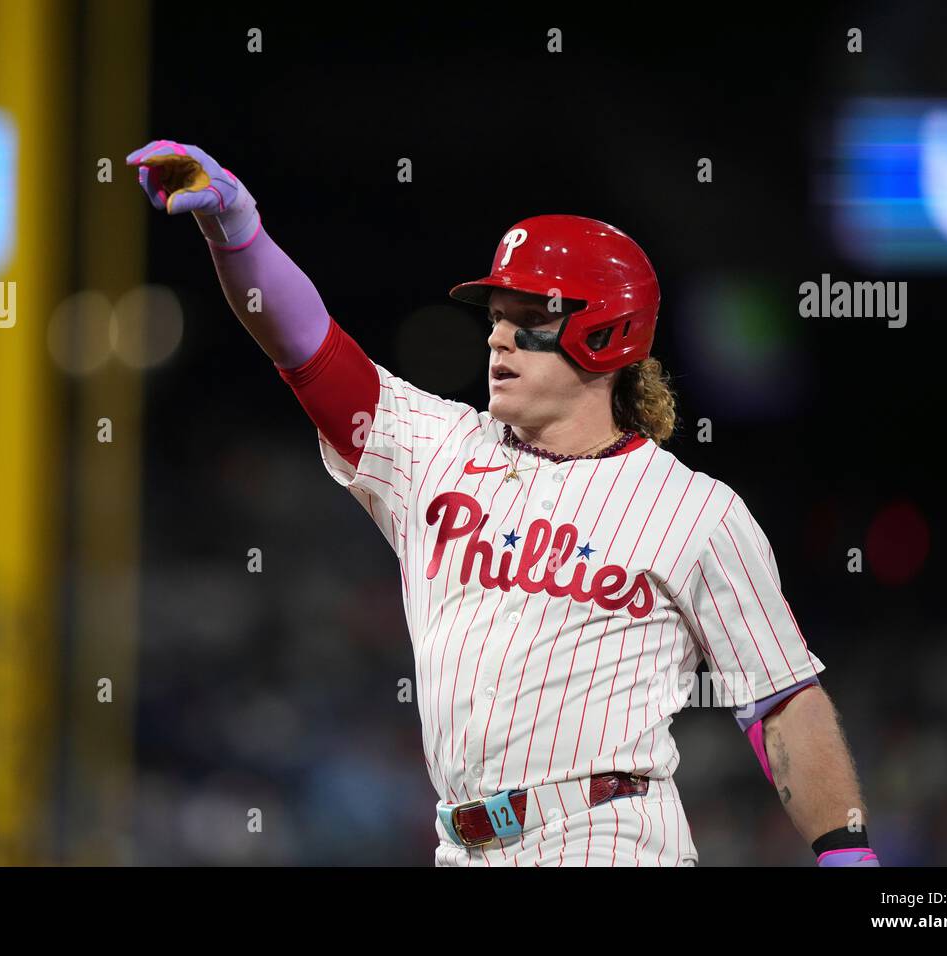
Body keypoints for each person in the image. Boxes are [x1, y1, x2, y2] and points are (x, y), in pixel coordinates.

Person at [126, 139, 881, 867]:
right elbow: (309, 350)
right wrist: (237, 230)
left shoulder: (695, 511)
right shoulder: (438, 449)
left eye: (530, 320)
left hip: (604, 837)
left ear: (606, 332)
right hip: (462, 845)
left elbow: (783, 700)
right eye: (495, 318)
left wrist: (846, 851)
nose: (499, 340)